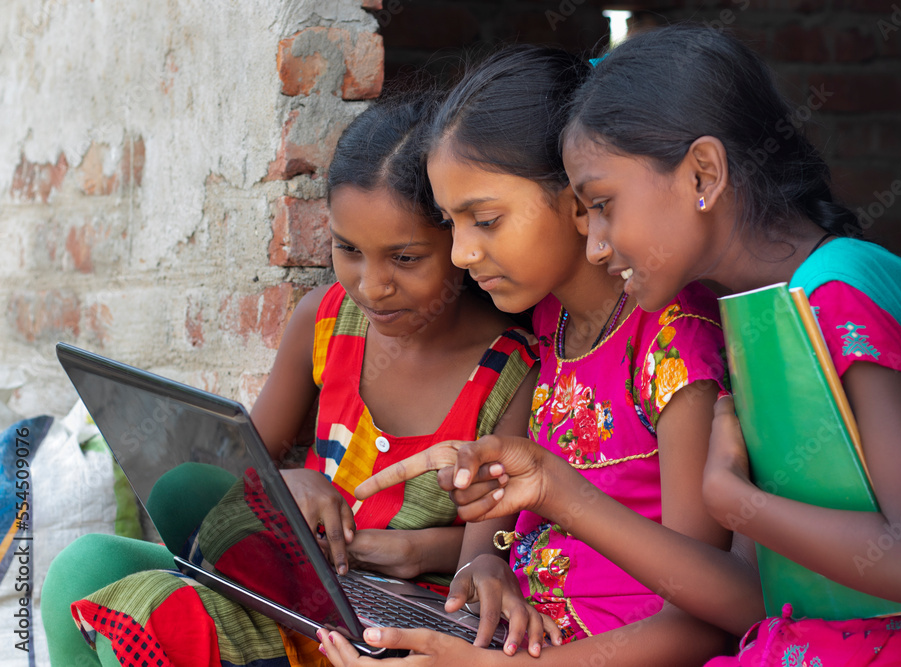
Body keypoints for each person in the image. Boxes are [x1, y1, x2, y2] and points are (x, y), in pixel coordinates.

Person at [332, 25, 901, 666]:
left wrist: (739, 505)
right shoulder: (752, 311)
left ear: (703, 173)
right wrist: (484, 551)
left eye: (602, 204)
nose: (595, 243)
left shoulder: (819, 298)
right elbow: (763, 598)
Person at [40, 91, 540, 667]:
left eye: (404, 259)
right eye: (348, 249)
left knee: (155, 607)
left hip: (393, 620)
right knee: (91, 561)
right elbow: (244, 458)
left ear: (458, 239)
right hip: (300, 576)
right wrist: (287, 484)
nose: (371, 285)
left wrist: (408, 550)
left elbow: (492, 554)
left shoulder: (510, 372)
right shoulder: (326, 319)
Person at [318, 45, 758, 667]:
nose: (463, 254)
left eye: (486, 221)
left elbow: (700, 625)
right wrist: (488, 562)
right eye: (452, 225)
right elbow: (522, 523)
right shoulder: (549, 324)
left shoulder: (671, 343)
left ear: (578, 199)